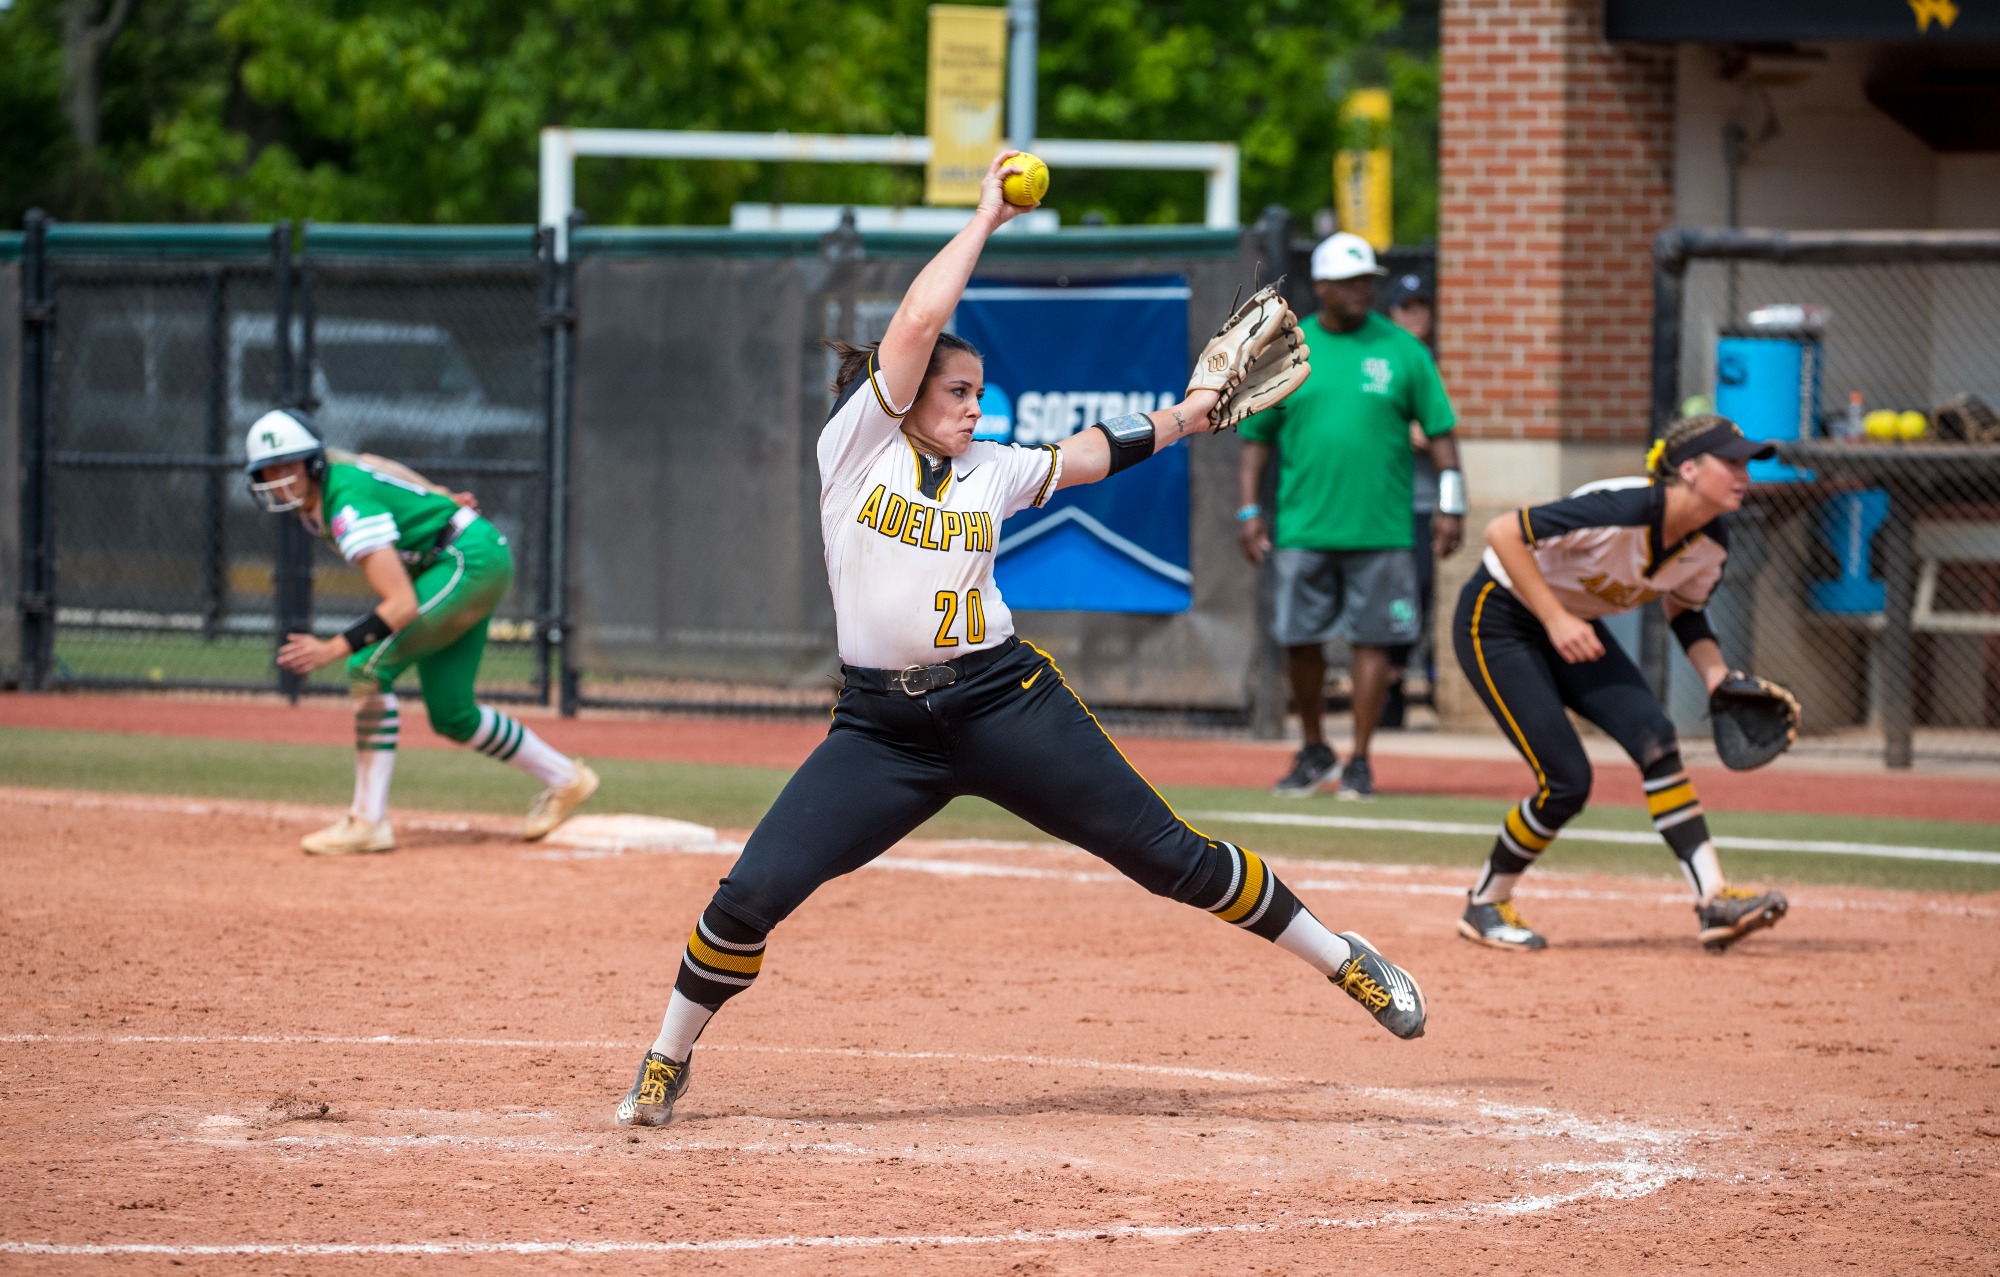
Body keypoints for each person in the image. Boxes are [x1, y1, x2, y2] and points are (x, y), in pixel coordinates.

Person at [615, 153, 1426, 1129]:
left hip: (1004, 702)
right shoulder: (854, 448)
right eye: (956, 390)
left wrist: (1186, 415)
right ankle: (666, 1056)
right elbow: (915, 326)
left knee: (1168, 856)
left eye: (978, 392)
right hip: (880, 729)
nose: (971, 405)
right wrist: (984, 220)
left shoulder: (991, 467)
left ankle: (1346, 958)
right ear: (902, 392)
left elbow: (1088, 452)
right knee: (751, 892)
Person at [1453, 413, 1791, 952]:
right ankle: (1486, 902)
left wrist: (1717, 680)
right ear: (1688, 468)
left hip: (1570, 625)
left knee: (1655, 738)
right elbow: (1503, 533)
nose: (1743, 474)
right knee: (1566, 780)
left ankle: (1714, 900)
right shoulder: (1626, 506)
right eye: (1730, 462)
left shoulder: (1712, 540)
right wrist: (1557, 620)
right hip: (1499, 618)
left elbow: (1686, 610)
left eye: (1746, 463)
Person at [243, 409, 599, 855]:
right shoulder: (335, 475)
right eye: (268, 471)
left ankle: (367, 820)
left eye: (288, 466)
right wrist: (436, 494)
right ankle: (567, 779)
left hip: (465, 561)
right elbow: (376, 461)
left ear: (313, 463)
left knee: (367, 665)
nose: (277, 479)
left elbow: (400, 605)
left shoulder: (347, 505)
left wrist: (330, 649)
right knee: (453, 713)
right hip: (468, 556)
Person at [1237, 235, 1465, 799]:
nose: (1365, 290)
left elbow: (1441, 433)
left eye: (1369, 280)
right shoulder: (1289, 351)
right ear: (1323, 287)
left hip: (1382, 528)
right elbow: (1255, 441)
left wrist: (1452, 503)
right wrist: (1248, 510)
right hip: (1303, 526)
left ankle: (1360, 758)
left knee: (1374, 642)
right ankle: (1314, 748)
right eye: (1352, 282)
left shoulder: (1403, 351)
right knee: (1300, 640)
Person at [1382, 273, 1443, 728]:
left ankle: (1397, 675)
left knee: (1419, 589)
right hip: (1380, 500)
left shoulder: (1433, 362)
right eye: (1406, 306)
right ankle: (1387, 685)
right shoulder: (1380, 356)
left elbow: (1444, 426)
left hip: (1423, 499)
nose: (1415, 314)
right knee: (1379, 593)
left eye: (1421, 305)